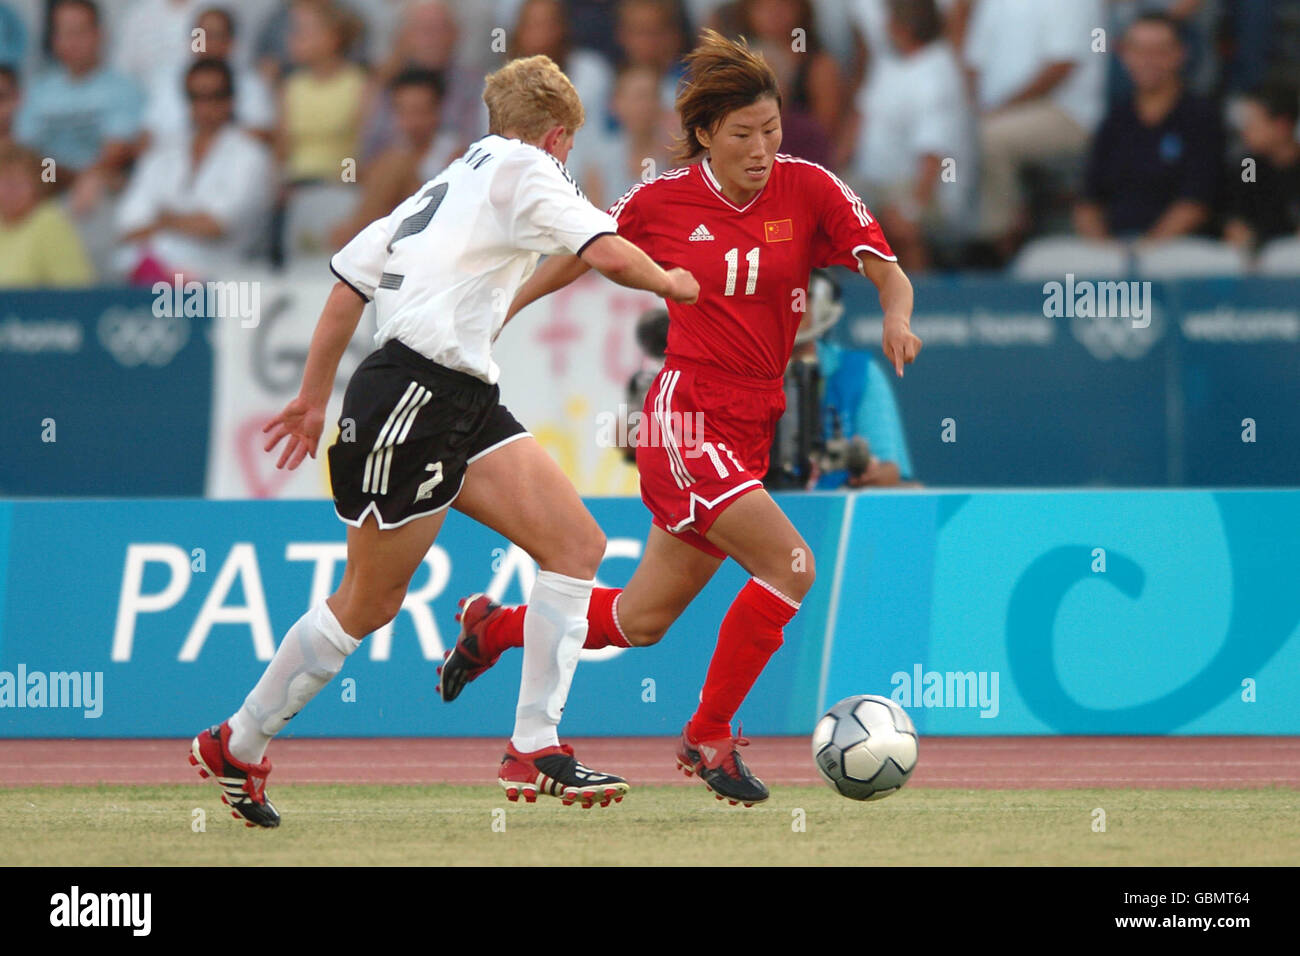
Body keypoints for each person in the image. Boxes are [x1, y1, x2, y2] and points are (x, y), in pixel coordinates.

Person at [188, 54, 698, 826]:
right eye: (567, 147)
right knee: (369, 603)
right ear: (558, 136)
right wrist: (673, 283)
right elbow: (603, 250)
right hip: (412, 397)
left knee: (575, 546)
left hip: (456, 394)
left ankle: (535, 746)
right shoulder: (531, 171)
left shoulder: (449, 179)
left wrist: (313, 396)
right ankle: (240, 739)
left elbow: (347, 287)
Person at [438, 30, 920, 806]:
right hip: (686, 417)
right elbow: (582, 248)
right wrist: (508, 303)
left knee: (639, 621)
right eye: (743, 135)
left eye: (771, 130)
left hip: (752, 422)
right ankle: (708, 734)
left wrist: (897, 315)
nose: (762, 148)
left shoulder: (810, 188)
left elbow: (885, 268)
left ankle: (490, 627)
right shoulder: (660, 200)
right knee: (792, 565)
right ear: (704, 135)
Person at [116, 59, 274, 282]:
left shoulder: (251, 156)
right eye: (196, 97)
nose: (204, 106)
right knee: (127, 260)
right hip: (153, 276)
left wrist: (163, 221)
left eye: (214, 96)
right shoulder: (163, 150)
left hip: (223, 276)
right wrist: (183, 223)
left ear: (231, 100)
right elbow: (128, 224)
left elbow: (216, 225)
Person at [1074, 12, 1222, 242]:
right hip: (1114, 250)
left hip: (1182, 253)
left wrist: (1142, 253)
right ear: (1124, 55)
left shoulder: (1202, 118)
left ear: (1179, 54)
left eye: (1159, 51)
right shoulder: (1115, 119)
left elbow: (1196, 202)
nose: (1147, 61)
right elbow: (1089, 201)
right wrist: (1104, 251)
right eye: (1138, 51)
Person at [0, 142, 95, 287]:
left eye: (17, 183)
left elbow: (74, 288)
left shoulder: (49, 221)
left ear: (36, 185)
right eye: (4, 183)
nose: (9, 192)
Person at [1223, 85, 1300, 251]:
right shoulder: (1249, 166)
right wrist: (1238, 230)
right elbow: (1239, 215)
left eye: (1252, 123)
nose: (1245, 130)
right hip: (1259, 259)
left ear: (1281, 126)